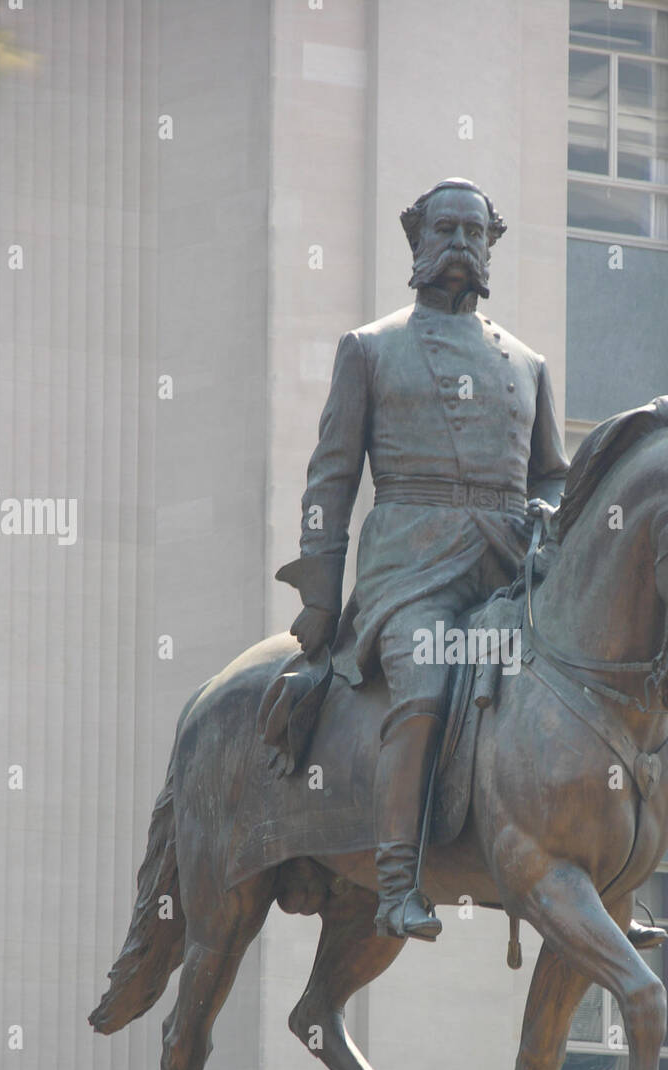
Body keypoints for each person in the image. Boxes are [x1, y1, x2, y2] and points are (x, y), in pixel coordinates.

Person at [279, 177, 569, 940]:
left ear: (490, 247)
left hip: (509, 566)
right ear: (416, 241)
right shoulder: (371, 349)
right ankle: (397, 880)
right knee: (427, 688)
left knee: (580, 685)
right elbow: (331, 475)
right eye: (444, 230)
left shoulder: (526, 363)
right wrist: (318, 588)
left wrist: (548, 508)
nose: (459, 247)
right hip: (411, 565)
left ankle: (589, 869)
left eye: (474, 234)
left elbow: (551, 473)